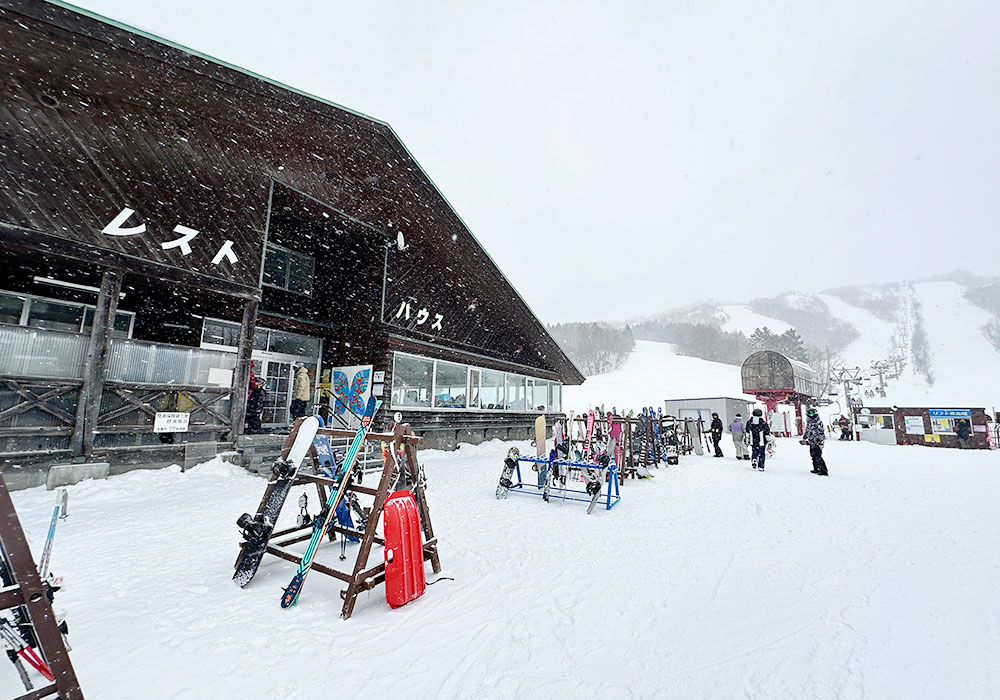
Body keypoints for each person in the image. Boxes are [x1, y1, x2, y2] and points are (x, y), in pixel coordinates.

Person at [800, 407, 828, 475]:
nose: (810, 415)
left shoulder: (818, 423)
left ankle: (823, 470)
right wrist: (804, 438)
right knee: (813, 455)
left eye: (811, 413)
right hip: (811, 442)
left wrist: (821, 443)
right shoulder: (810, 422)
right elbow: (807, 431)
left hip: (817, 442)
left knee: (818, 456)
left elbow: (821, 433)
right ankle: (816, 468)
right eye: (809, 414)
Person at [246, 362, 265, 434]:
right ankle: (252, 428)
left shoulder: (260, 391)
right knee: (252, 418)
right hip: (253, 405)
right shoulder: (255, 390)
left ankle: (255, 429)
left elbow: (260, 400)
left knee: (254, 418)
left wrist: (257, 408)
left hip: (254, 406)